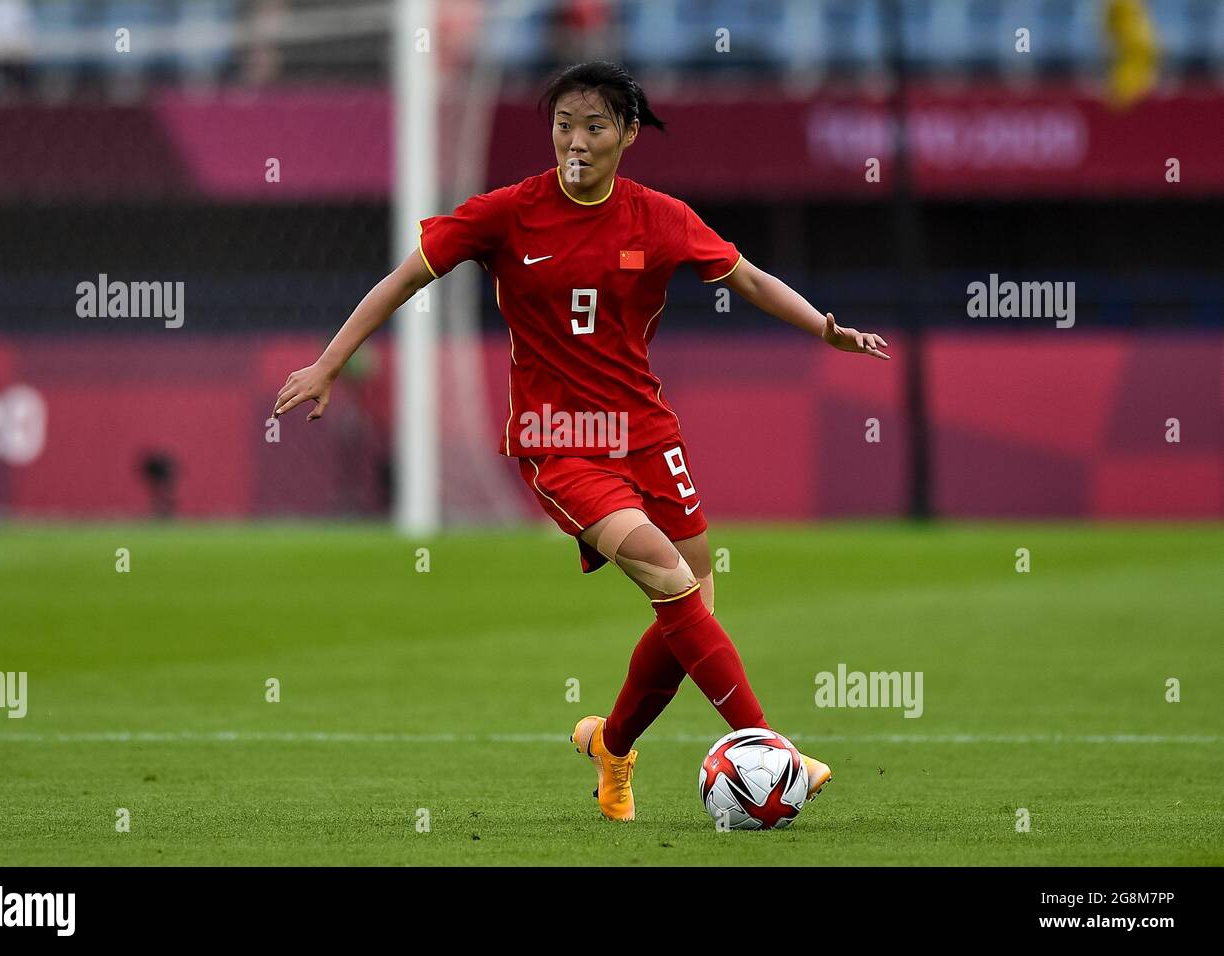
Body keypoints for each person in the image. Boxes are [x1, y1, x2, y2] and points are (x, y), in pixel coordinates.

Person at [274, 61, 890, 822]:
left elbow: (750, 279)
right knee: (670, 581)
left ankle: (612, 745)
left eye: (595, 126)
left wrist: (825, 329)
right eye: (564, 124)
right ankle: (772, 750)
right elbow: (404, 279)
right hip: (559, 438)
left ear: (628, 135)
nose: (576, 139)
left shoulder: (660, 217)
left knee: (693, 604)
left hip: (647, 431)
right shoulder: (506, 213)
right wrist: (330, 362)